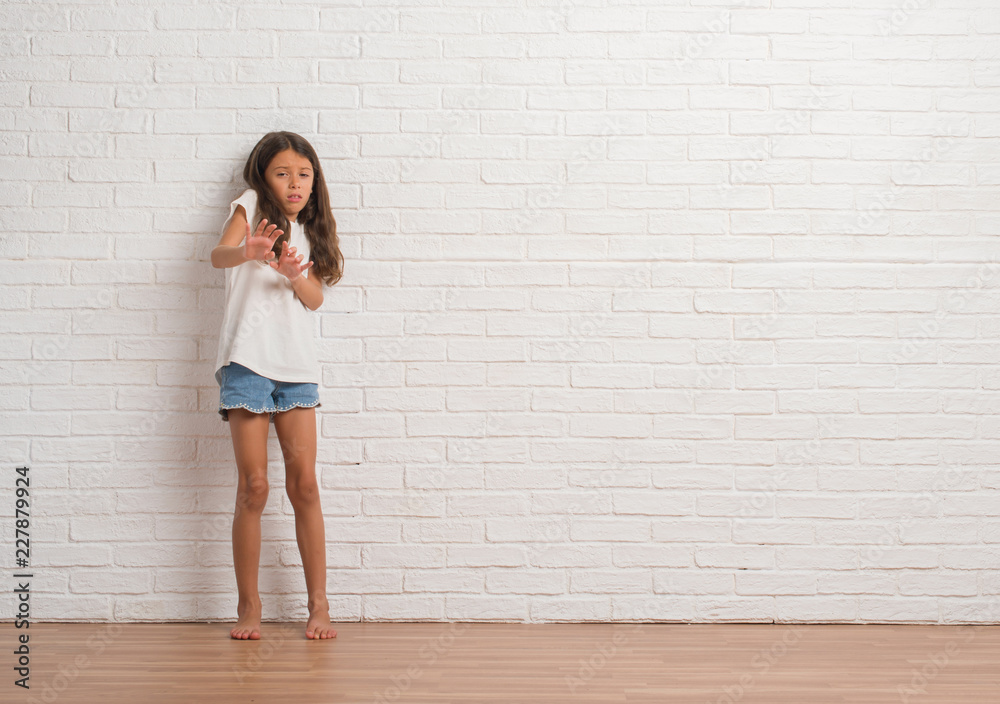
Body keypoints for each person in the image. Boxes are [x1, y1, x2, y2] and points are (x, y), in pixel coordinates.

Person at [210, 131, 344, 640]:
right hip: (247, 363)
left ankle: (319, 606)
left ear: (315, 181)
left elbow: (314, 299)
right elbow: (218, 257)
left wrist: (291, 273)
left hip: (296, 370)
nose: (294, 183)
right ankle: (249, 607)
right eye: (283, 173)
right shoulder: (250, 210)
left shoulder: (310, 229)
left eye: (304, 174)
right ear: (264, 176)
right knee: (255, 487)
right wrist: (250, 250)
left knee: (304, 485)